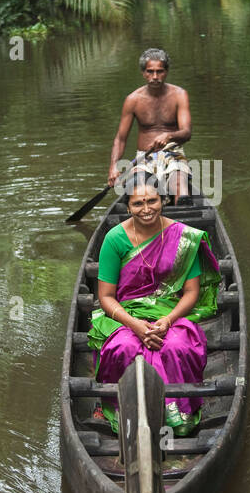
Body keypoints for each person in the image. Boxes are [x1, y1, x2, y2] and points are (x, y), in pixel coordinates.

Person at [89, 176, 220, 436]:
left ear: (163, 201)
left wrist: (168, 321)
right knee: (123, 347)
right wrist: (135, 325)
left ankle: (177, 417)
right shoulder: (115, 239)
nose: (146, 209)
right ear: (128, 207)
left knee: (177, 346)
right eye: (138, 203)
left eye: (152, 201)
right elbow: (106, 296)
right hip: (127, 315)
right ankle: (118, 411)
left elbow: (191, 292)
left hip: (170, 313)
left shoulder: (181, 237)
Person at [107, 48, 193, 203]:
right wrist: (113, 166)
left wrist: (169, 135)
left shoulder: (179, 95)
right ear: (143, 73)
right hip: (144, 158)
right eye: (150, 71)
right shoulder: (133, 100)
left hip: (173, 154)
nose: (155, 77)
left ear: (166, 72)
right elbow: (120, 138)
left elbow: (187, 133)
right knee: (138, 190)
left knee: (180, 185)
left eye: (159, 71)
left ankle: (180, 220)